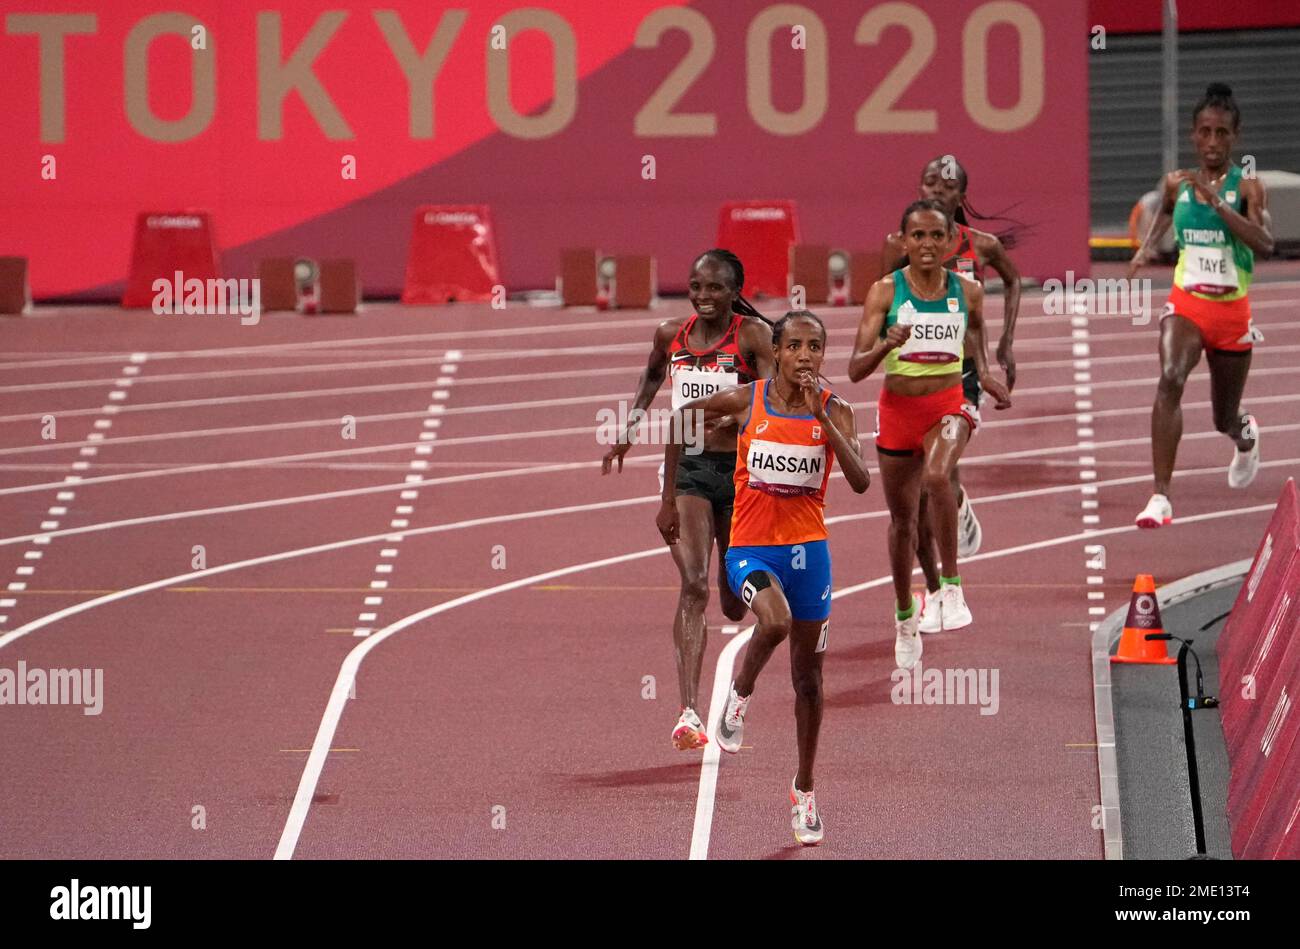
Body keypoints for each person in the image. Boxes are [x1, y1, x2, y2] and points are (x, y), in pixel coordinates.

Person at [658, 310, 870, 846]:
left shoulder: (837, 409)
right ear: (775, 352)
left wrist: (824, 421)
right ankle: (740, 693)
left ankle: (804, 788)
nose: (804, 356)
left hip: (810, 558)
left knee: (809, 682)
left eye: (814, 347)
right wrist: (669, 494)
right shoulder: (746, 401)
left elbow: (862, 481)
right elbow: (680, 419)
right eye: (794, 345)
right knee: (773, 622)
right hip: (751, 550)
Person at [602, 250, 774, 750]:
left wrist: (734, 417)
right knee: (693, 585)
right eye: (696, 286)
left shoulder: (753, 337)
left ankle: (729, 575)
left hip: (739, 473)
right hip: (687, 472)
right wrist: (631, 429)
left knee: (733, 604)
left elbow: (771, 398)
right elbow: (652, 376)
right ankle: (689, 713)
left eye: (716, 287)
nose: (703, 296)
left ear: (735, 291)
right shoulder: (669, 335)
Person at [850, 200, 1011, 663]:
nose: (926, 244)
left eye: (936, 236)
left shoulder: (968, 291)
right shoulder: (885, 292)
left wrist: (986, 373)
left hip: (948, 405)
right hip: (897, 412)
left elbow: (975, 330)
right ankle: (905, 617)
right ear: (903, 241)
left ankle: (952, 588)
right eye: (917, 236)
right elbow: (855, 369)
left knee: (939, 477)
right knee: (903, 525)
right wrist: (886, 345)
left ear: (951, 241)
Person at [880, 155, 1023, 633]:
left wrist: (1004, 344)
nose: (937, 191)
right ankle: (937, 588)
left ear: (961, 196)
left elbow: (1013, 280)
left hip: (961, 373)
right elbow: (879, 307)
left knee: (935, 476)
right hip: (913, 374)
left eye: (947, 186)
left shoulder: (981, 245)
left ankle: (950, 573)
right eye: (929, 183)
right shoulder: (899, 245)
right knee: (921, 495)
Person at [1127, 83, 1274, 528]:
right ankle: (1160, 497)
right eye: (1205, 132)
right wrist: (1146, 249)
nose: (1212, 142)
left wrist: (1219, 207)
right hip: (1187, 302)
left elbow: (1264, 242)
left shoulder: (1247, 187)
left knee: (1223, 417)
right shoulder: (1178, 183)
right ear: (1193, 135)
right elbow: (1165, 212)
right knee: (1170, 376)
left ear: (1234, 137)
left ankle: (1245, 437)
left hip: (1231, 312)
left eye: (1222, 133)